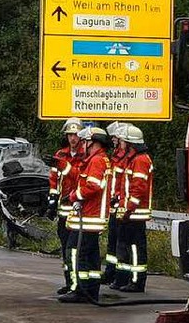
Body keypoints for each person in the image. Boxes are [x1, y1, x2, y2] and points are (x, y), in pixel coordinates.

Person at [59, 126, 111, 303]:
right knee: (91, 256)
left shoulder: (96, 161)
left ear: (92, 142)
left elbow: (93, 186)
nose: (82, 145)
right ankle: (91, 290)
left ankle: (79, 290)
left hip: (89, 217)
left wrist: (74, 196)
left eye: (84, 142)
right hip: (91, 217)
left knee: (75, 252)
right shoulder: (98, 160)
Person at [113, 125, 153, 292]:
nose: (120, 144)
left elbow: (138, 189)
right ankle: (125, 279)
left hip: (135, 214)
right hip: (129, 213)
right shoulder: (133, 159)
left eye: (123, 141)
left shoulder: (140, 160)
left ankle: (137, 282)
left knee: (136, 248)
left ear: (130, 143)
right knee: (126, 246)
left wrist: (128, 209)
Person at [46, 117, 82, 295]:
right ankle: (69, 282)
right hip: (63, 210)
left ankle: (77, 284)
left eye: (75, 134)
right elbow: (54, 178)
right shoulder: (60, 154)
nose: (72, 138)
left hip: (78, 209)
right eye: (70, 135)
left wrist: (64, 166)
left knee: (75, 250)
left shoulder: (85, 156)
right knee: (65, 248)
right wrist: (52, 198)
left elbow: (78, 177)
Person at [101, 122, 128, 285]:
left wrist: (118, 197)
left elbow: (124, 183)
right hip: (114, 206)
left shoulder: (125, 158)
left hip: (121, 206)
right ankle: (110, 273)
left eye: (115, 137)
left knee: (120, 244)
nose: (112, 140)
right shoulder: (116, 156)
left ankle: (120, 277)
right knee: (112, 243)